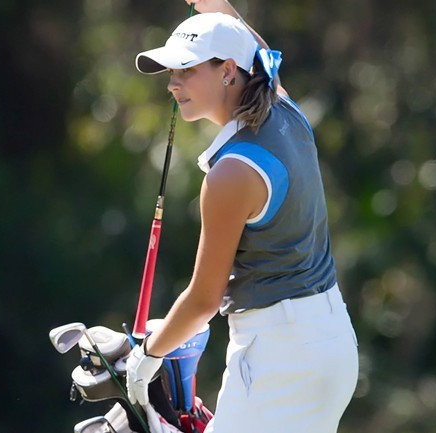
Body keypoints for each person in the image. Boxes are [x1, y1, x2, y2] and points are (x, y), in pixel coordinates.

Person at [124, 1, 359, 432]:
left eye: (187, 71)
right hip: (332, 346)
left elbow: (204, 299)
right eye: (171, 73)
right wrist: (216, 6)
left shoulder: (230, 175)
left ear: (229, 70)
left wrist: (147, 356)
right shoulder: (285, 110)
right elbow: (256, 50)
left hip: (279, 361)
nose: (174, 85)